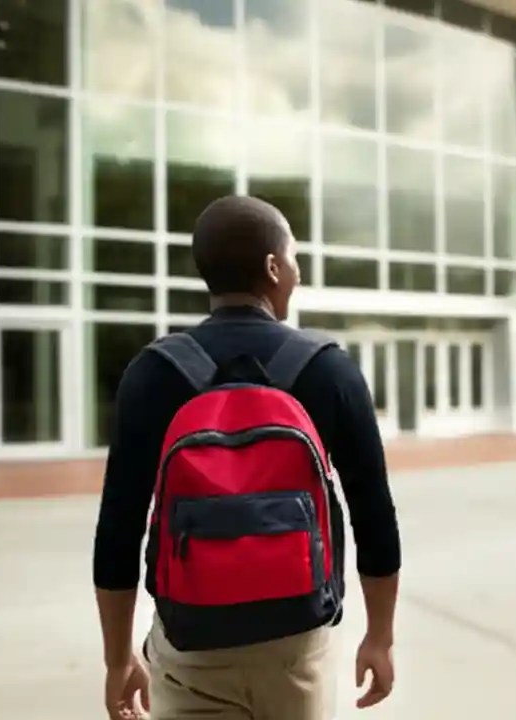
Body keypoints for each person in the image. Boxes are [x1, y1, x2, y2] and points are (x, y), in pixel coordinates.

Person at [93, 195, 402, 720]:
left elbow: (118, 530)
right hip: (295, 643)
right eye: (295, 259)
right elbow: (375, 518)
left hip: (191, 642)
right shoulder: (328, 371)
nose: (298, 274)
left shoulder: (153, 374)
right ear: (272, 267)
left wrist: (118, 658)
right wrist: (380, 637)